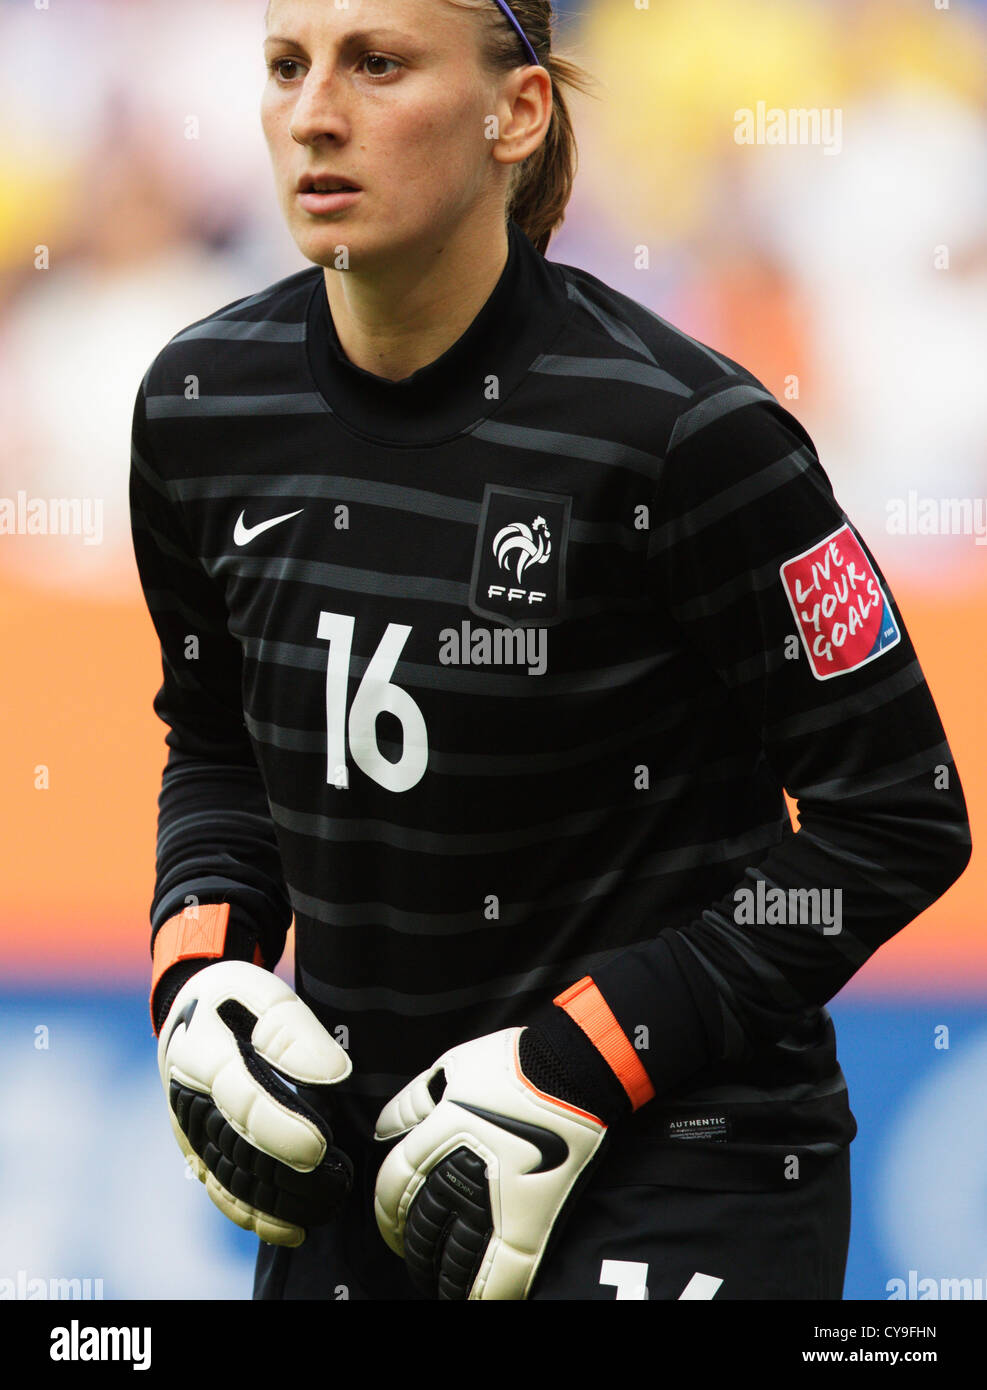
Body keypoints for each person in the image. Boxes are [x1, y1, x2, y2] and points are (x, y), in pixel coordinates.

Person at [131, 0, 972, 1301]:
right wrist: (203, 974)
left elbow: (895, 816)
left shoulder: (690, 436)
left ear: (514, 113)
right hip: (374, 1172)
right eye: (288, 66)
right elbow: (220, 745)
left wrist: (586, 1056)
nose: (314, 113)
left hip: (683, 1165)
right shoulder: (201, 404)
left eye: (379, 64)